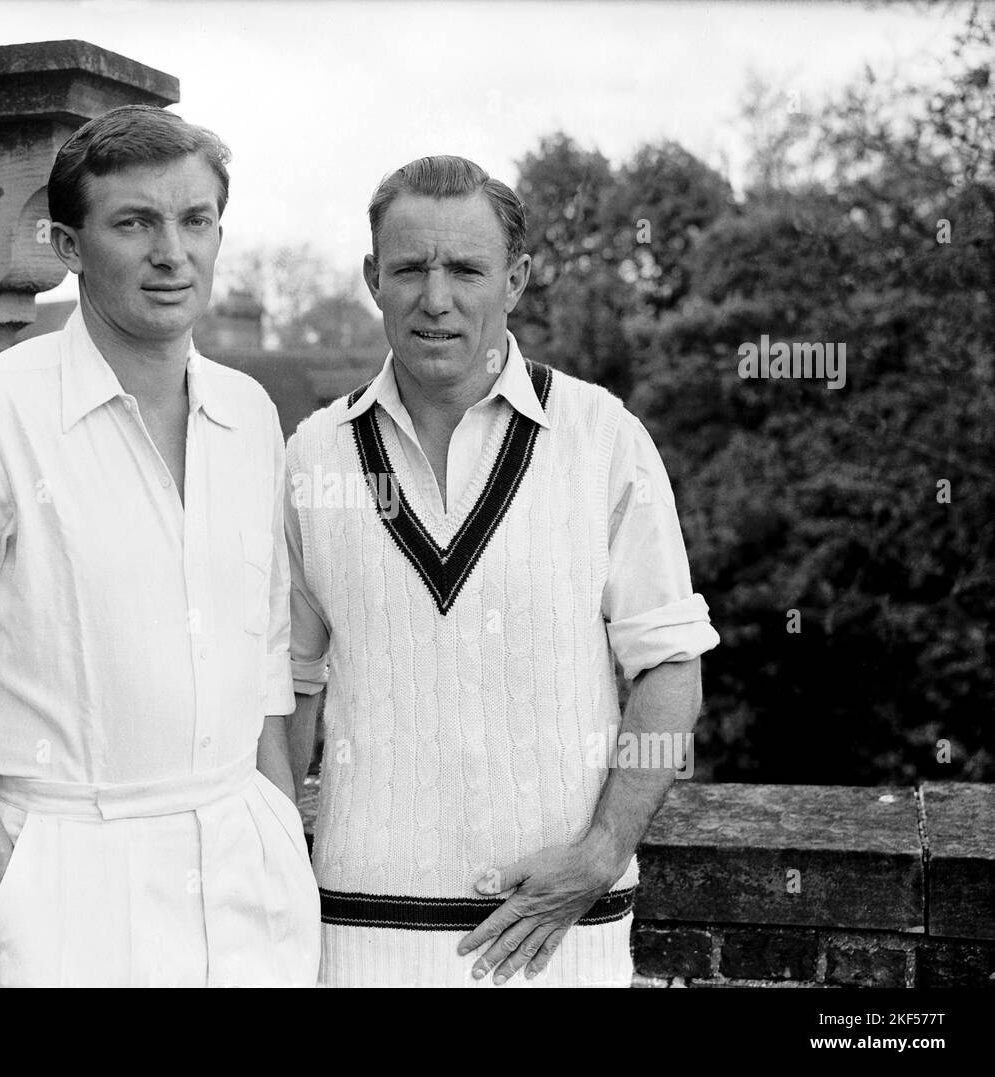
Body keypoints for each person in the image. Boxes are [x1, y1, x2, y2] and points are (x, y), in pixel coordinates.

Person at [0, 105, 319, 987]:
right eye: (134, 222)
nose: (171, 252)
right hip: (68, 886)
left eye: (195, 221)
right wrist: (17, 907)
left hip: (248, 889)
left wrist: (280, 846)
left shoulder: (250, 415)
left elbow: (264, 668)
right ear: (70, 248)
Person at [285, 155, 720, 987]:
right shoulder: (313, 455)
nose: (436, 297)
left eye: (467, 269)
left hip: (559, 937)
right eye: (410, 268)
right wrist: (269, 875)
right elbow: (291, 688)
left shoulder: (601, 438)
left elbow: (669, 664)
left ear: (515, 279)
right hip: (355, 936)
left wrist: (600, 854)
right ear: (374, 277)